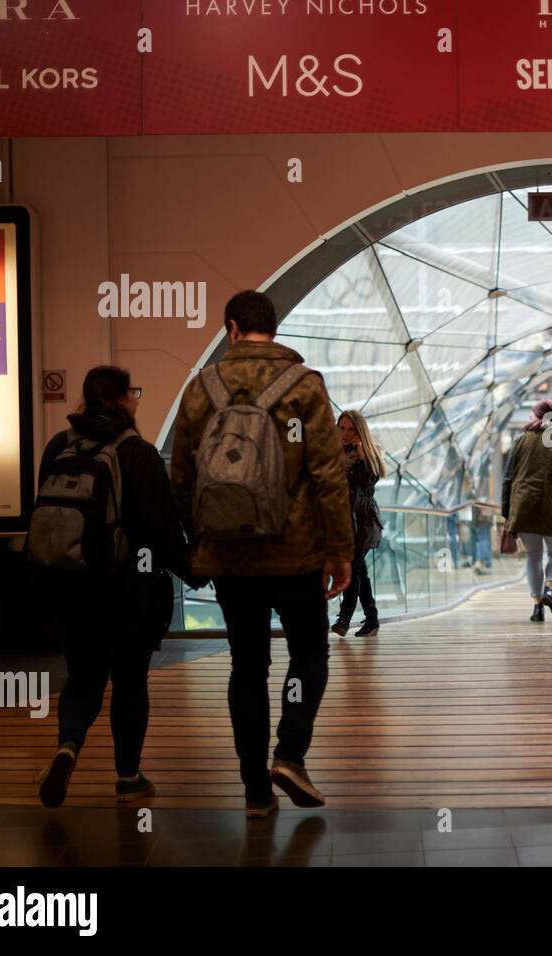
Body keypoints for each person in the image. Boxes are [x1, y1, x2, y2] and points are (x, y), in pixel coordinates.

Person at [171, 290, 354, 819]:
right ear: (274, 328)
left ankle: (254, 790)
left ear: (231, 328)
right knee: (309, 655)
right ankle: (290, 754)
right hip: (295, 555)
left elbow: (181, 473)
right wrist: (340, 551)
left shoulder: (201, 389)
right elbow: (327, 475)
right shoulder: (303, 386)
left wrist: (199, 537)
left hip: (230, 556)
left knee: (247, 667)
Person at [31, 366, 194, 808]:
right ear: (122, 399)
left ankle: (67, 748)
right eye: (133, 393)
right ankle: (128, 778)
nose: (136, 401)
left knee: (82, 676)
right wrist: (195, 568)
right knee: (128, 683)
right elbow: (162, 527)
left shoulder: (58, 446)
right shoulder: (136, 452)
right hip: (127, 592)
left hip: (70, 587)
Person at [502, 399, 552, 621]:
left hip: (523, 503)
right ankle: (550, 589)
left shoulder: (520, 439)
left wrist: (507, 511)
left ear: (536, 415)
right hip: (551, 504)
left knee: (533, 556)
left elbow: (507, 477)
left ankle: (537, 608)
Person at [332, 409, 385, 638]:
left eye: (350, 429)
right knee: (359, 572)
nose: (344, 433)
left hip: (362, 523)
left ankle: (344, 619)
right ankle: (372, 619)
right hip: (342, 522)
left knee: (353, 570)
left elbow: (368, 484)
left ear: (359, 432)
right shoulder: (332, 453)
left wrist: (361, 454)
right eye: (342, 427)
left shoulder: (368, 456)